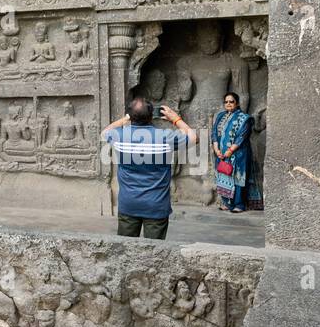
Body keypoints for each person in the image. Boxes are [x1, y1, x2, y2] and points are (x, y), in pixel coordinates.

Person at [101, 96, 196, 239]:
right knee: (155, 253)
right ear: (152, 116)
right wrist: (176, 119)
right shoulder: (165, 137)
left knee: (125, 250)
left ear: (130, 116)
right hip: (156, 206)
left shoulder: (119, 136)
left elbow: (104, 132)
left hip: (129, 204)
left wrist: (124, 119)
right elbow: (194, 138)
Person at [212, 91, 253, 212]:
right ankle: (227, 203)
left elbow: (242, 136)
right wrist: (216, 149)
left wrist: (230, 150)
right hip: (222, 154)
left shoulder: (244, 118)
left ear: (237, 103)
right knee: (223, 175)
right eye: (226, 102)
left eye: (231, 101)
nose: (228, 104)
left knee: (238, 177)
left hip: (238, 154)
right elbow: (214, 133)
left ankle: (239, 204)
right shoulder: (220, 116)